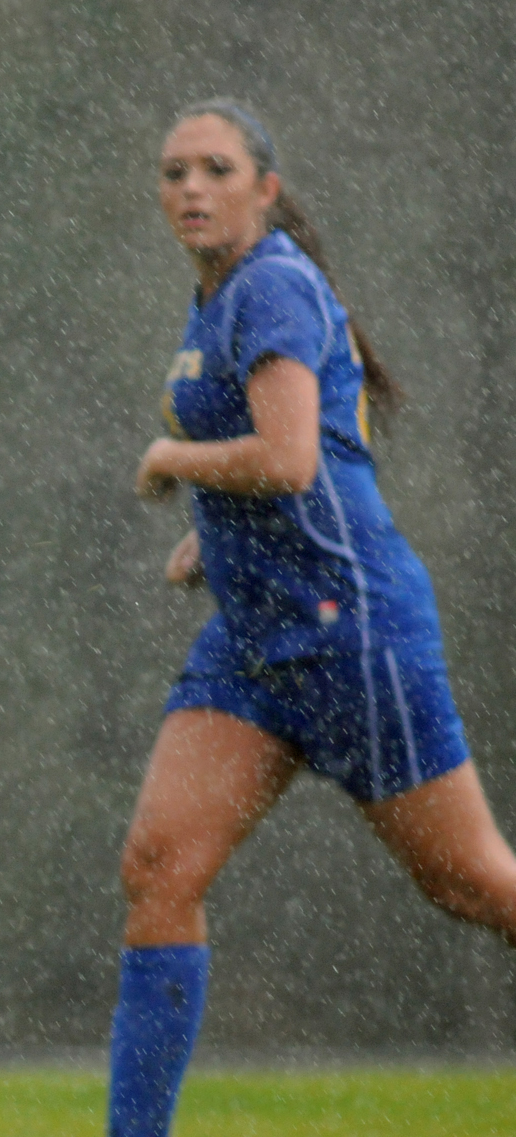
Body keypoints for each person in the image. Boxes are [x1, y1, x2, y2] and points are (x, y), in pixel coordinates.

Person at [108, 99, 516, 1136]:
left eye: (214, 168)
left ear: (265, 188)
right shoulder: (222, 298)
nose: (190, 187)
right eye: (173, 171)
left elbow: (287, 460)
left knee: (472, 886)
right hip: (253, 642)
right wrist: (218, 535)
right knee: (159, 870)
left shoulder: (274, 284)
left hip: (351, 633)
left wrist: (173, 465)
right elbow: (320, 455)